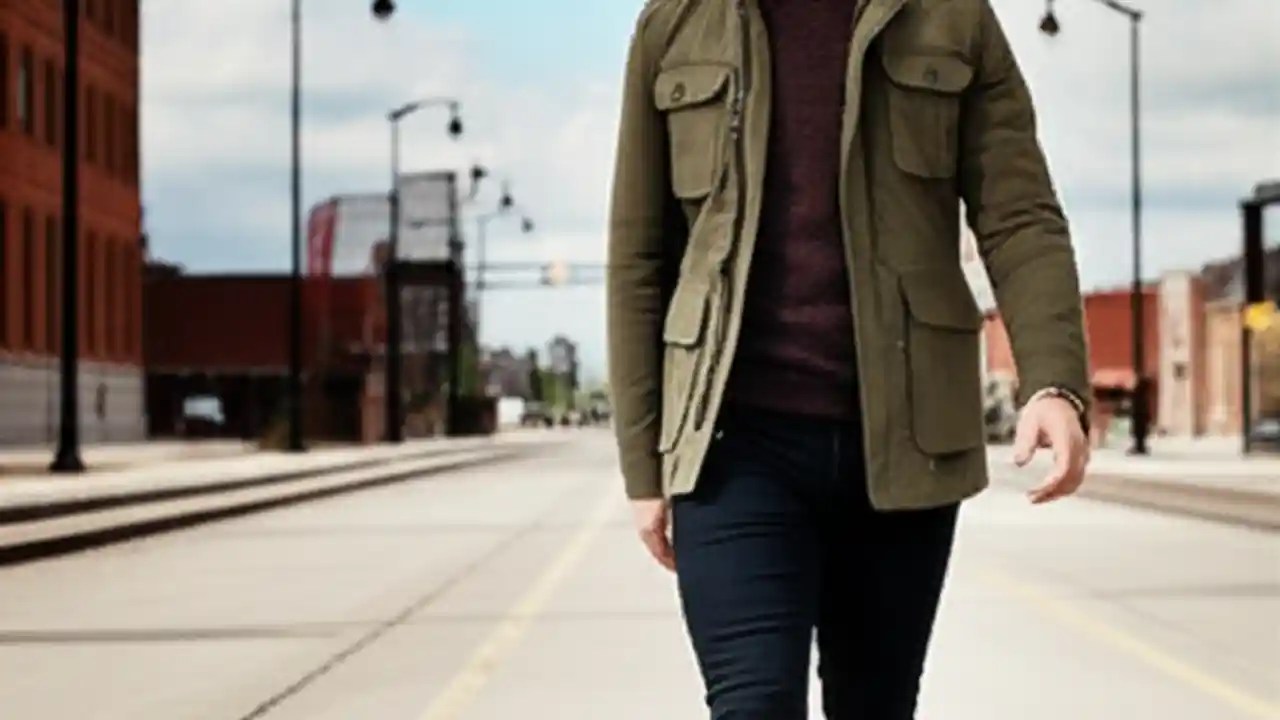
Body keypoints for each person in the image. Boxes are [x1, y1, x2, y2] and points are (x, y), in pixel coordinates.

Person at [606, 0, 1091, 718]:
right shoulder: (676, 22)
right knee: (754, 705)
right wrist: (644, 461)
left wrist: (1053, 382)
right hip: (733, 446)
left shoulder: (953, 17)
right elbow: (640, 257)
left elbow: (1019, 216)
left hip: (903, 442)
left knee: (876, 705)